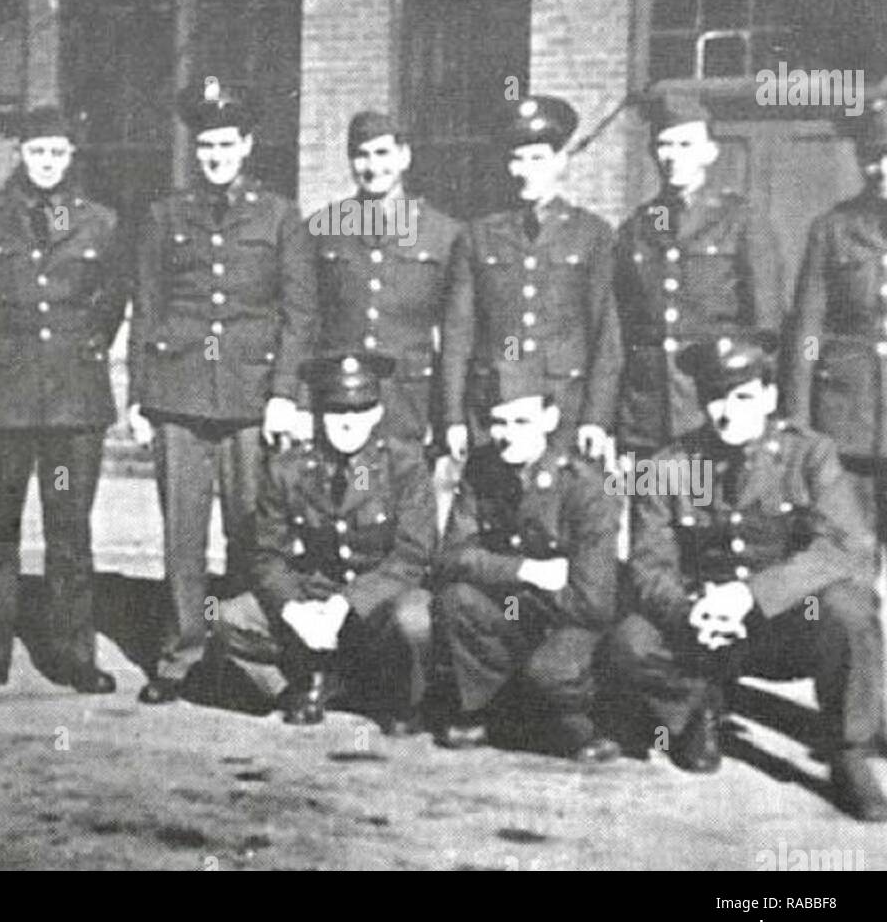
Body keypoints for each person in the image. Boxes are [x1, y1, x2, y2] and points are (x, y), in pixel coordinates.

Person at [608, 332, 886, 822]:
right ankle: (696, 711)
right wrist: (689, 609)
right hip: (703, 628)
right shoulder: (670, 466)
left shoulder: (809, 454)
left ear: (769, 397)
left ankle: (848, 751)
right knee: (631, 640)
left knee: (848, 607)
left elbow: (847, 546)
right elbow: (649, 565)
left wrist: (751, 595)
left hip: (783, 627)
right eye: (715, 397)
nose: (727, 411)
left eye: (742, 396)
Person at [129, 83, 315, 704]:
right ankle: (179, 656)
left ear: (247, 146)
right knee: (182, 535)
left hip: (249, 395)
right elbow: (147, 307)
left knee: (249, 533)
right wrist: (138, 396)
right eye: (205, 144)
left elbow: (299, 313)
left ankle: (240, 651)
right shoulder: (165, 214)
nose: (215, 155)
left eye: (226, 144)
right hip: (179, 393)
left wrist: (284, 393)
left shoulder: (279, 214)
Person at [0, 106, 128, 695]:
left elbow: (111, 302)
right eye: (36, 151)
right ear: (19, 153)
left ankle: (74, 655)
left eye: (58, 153)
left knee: (69, 530)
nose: (47, 163)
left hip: (73, 408)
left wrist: (76, 357)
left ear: (72, 157)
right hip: (3, 404)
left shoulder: (100, 223)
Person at [211, 352, 436, 731]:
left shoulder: (403, 466)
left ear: (377, 413)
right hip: (313, 596)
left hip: (379, 601)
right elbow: (268, 555)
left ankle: (398, 698)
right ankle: (298, 687)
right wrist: (293, 608)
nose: (348, 423)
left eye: (360, 410)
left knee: (414, 619)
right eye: (336, 411)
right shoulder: (289, 468)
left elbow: (412, 556)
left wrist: (346, 604)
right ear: (318, 413)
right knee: (225, 617)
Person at [431, 371, 621, 761]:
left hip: (572, 624)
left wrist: (503, 578)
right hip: (521, 607)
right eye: (498, 422)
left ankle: (580, 722)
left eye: (521, 422)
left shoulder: (585, 484)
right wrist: (524, 571)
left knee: (549, 672)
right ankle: (488, 709)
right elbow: (450, 557)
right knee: (457, 600)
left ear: (550, 419)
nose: (507, 434)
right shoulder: (483, 469)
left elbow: (594, 602)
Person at [443, 95, 621, 465]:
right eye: (516, 158)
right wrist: (454, 416)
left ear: (561, 162)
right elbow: (458, 333)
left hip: (564, 407)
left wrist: (597, 417)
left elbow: (606, 333)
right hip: (496, 408)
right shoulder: (477, 236)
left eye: (537, 158)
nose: (525, 170)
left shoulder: (592, 234)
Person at [615, 89, 780, 459]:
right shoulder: (636, 228)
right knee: (650, 506)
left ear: (710, 151)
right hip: (646, 407)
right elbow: (618, 328)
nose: (674, 156)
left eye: (687, 144)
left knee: (706, 507)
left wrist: (751, 407)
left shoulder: (741, 220)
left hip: (712, 401)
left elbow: (766, 327)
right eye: (664, 144)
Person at [311, 110, 463, 448]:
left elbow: (455, 333)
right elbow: (306, 319)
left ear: (404, 157)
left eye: (382, 153)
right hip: (339, 399)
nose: (372, 166)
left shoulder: (442, 233)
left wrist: (450, 417)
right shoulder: (324, 227)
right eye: (361, 155)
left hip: (408, 401)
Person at [782, 80, 887, 543]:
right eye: (872, 155)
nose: (880, 168)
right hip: (850, 413)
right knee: (849, 540)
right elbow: (808, 328)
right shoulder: (833, 228)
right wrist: (798, 418)